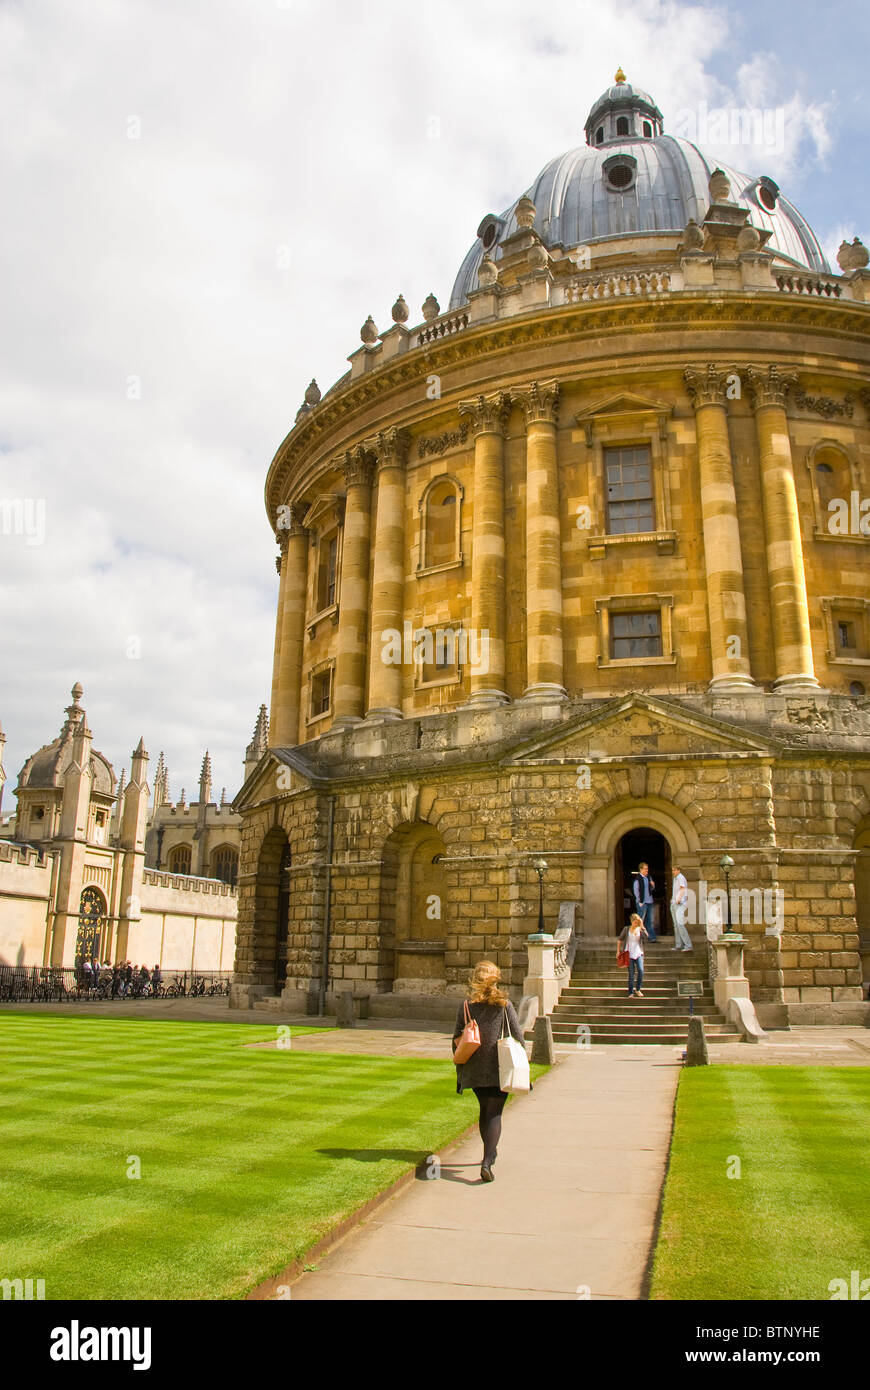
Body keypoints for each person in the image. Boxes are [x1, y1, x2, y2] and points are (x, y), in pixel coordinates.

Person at [452, 960, 527, 1183]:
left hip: (475, 1066)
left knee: (485, 1111)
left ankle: (490, 1153)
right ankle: (487, 1160)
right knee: (495, 1113)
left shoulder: (466, 1007)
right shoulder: (504, 1005)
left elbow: (456, 1038)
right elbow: (518, 1036)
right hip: (499, 1065)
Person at [618, 913, 649, 998]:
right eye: (635, 922)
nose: (636, 924)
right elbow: (620, 939)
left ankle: (638, 989)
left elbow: (646, 937)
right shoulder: (626, 929)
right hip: (629, 953)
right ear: (632, 921)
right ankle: (630, 992)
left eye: (637, 922)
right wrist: (618, 951)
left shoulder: (640, 929)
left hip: (638, 952)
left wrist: (642, 926)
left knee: (641, 970)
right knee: (631, 973)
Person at [632, 861, 657, 941]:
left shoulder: (649, 877)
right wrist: (640, 901)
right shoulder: (637, 879)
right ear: (641, 869)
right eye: (645, 869)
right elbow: (636, 891)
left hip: (650, 901)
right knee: (640, 921)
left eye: (647, 869)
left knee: (650, 920)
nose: (647, 871)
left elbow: (651, 889)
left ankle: (652, 937)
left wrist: (653, 885)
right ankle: (636, 937)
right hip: (642, 902)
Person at [671, 865, 693, 951]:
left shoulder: (680, 877)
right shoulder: (675, 878)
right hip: (674, 903)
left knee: (679, 924)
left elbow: (682, 889)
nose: (673, 872)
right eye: (672, 870)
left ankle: (688, 945)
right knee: (676, 925)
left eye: (674, 870)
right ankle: (678, 945)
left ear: (679, 870)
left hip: (679, 903)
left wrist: (678, 899)